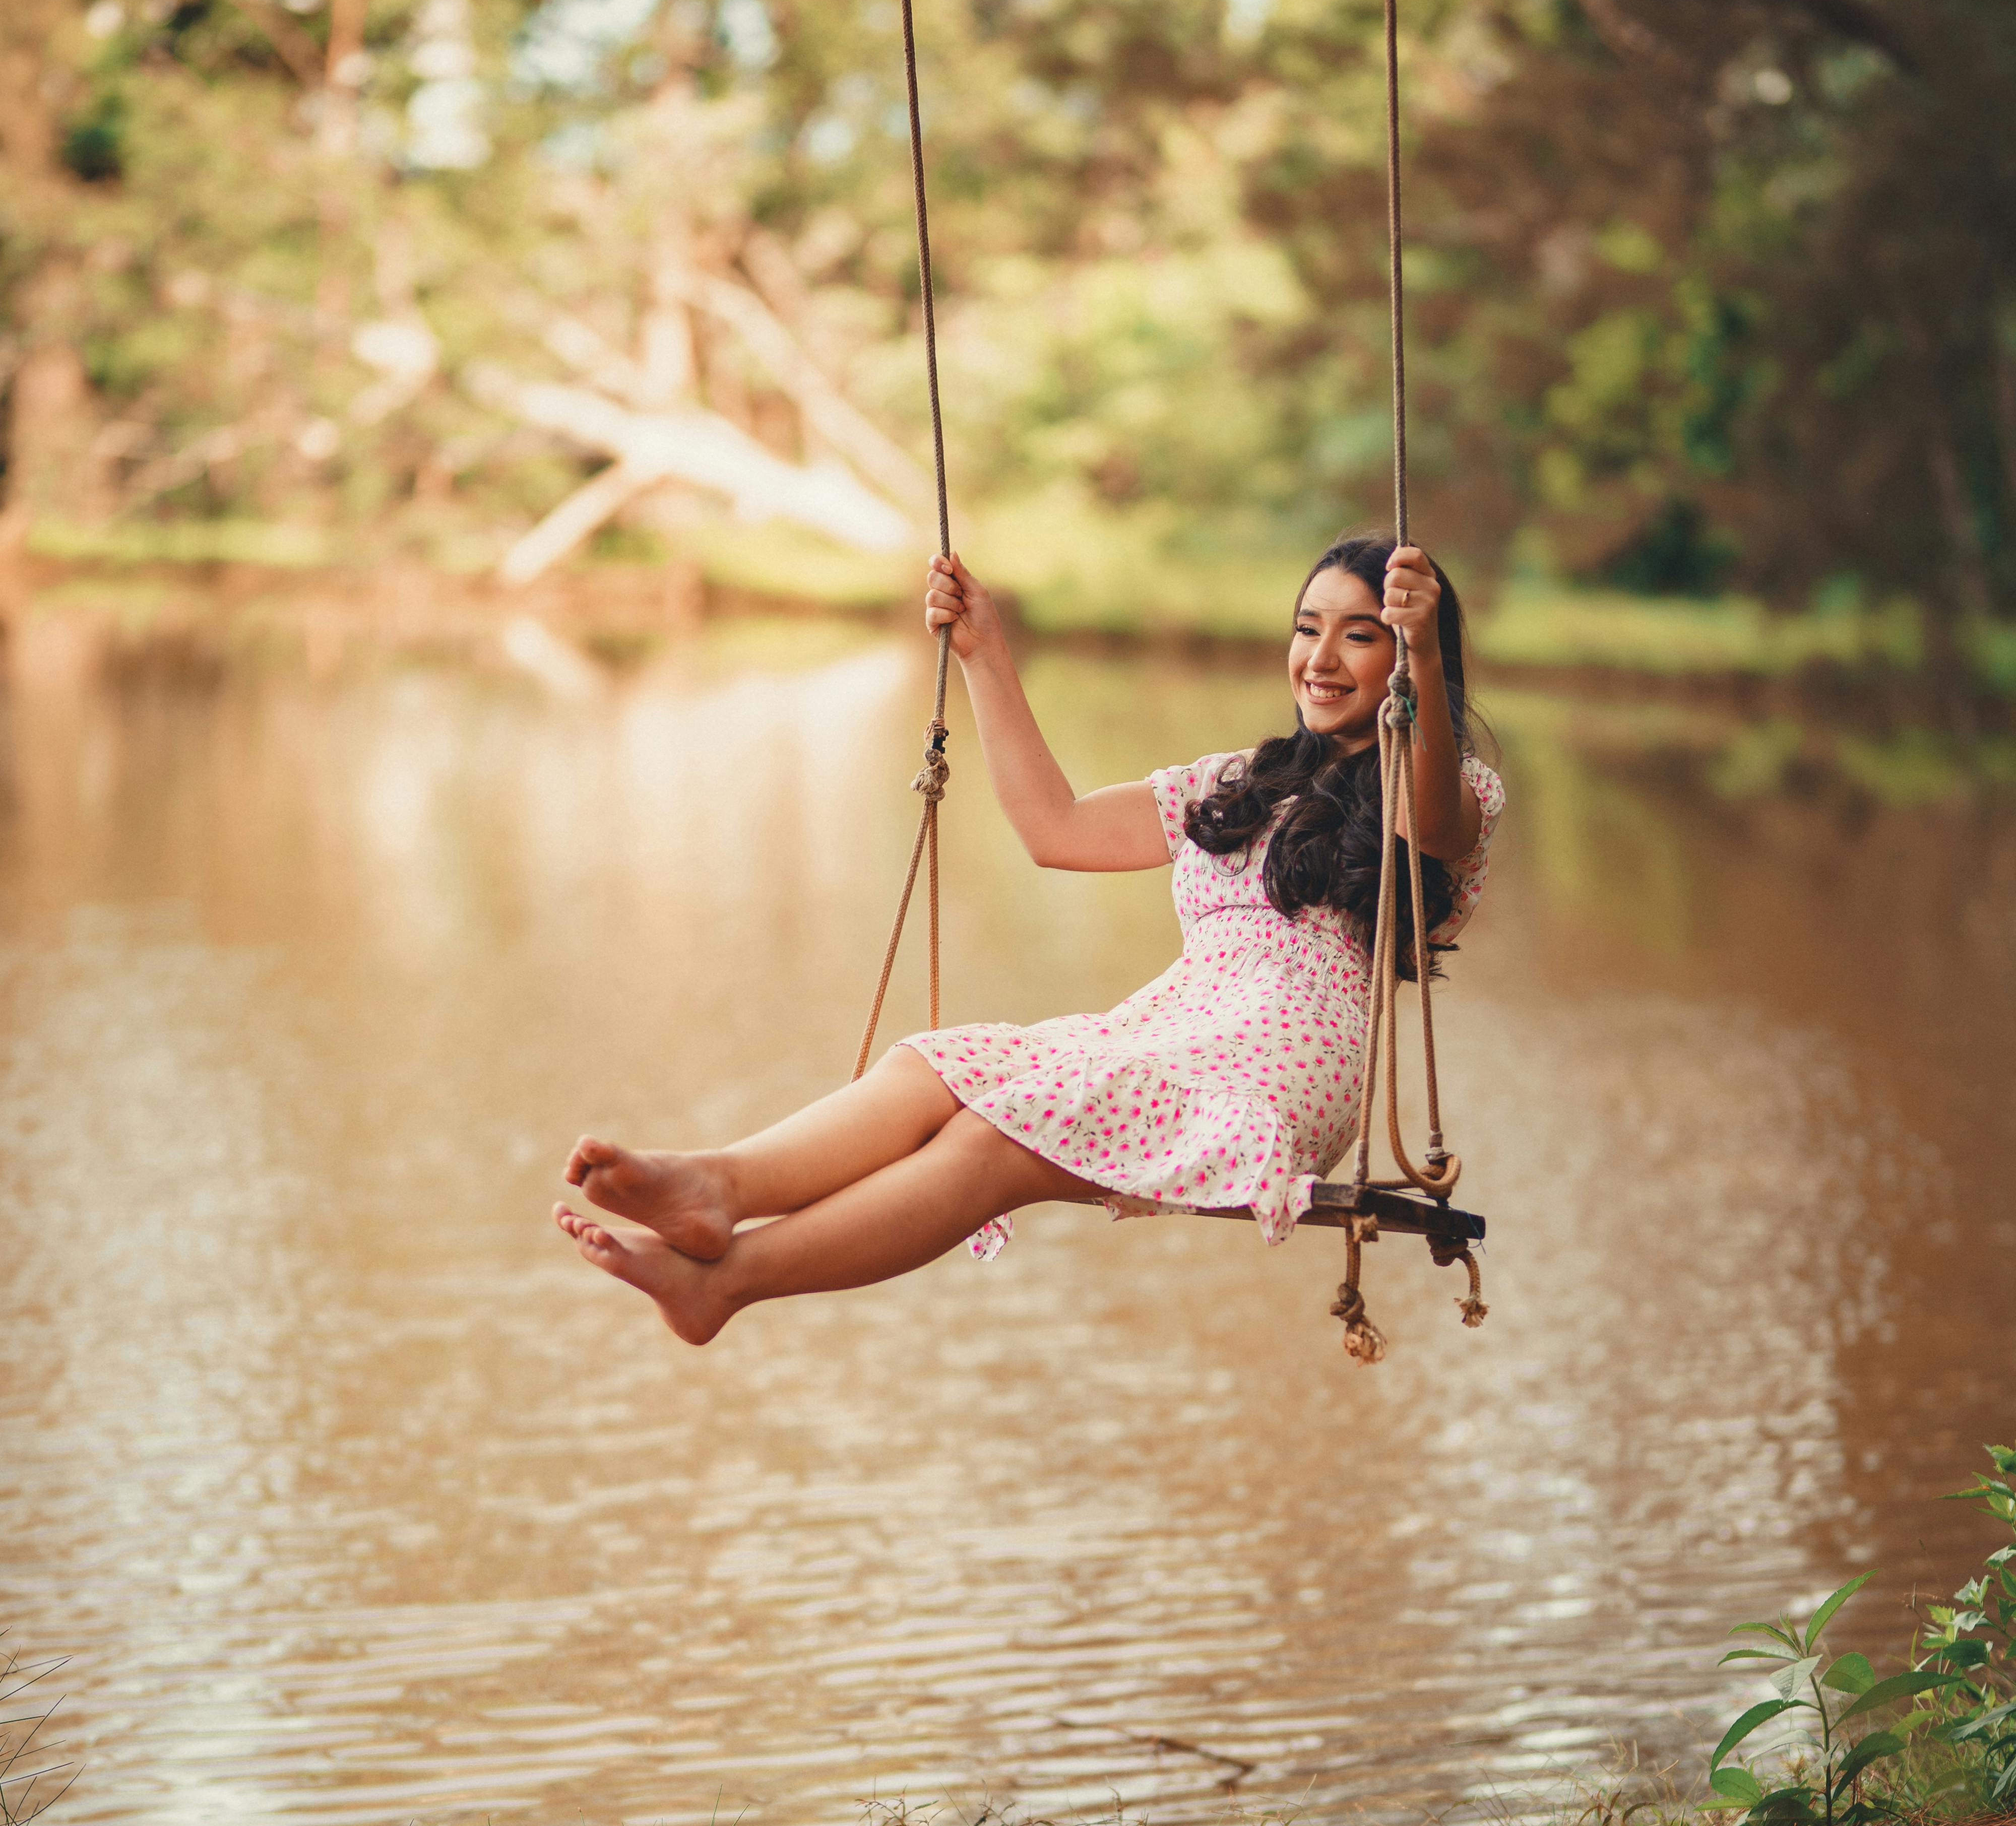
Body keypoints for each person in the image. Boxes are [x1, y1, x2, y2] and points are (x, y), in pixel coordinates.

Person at [554, 532, 1504, 1344]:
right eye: (1307, 630)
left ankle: (724, 1283)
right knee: (935, 1065)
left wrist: (1420, 665)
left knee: (999, 1138)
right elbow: (1057, 829)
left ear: (1407, 653)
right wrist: (983, 653)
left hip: (1288, 1062)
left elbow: (1433, 818)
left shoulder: (1447, 790)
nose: (1321, 659)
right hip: (1168, 1032)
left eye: (1361, 636)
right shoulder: (1238, 783)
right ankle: (719, 1184)